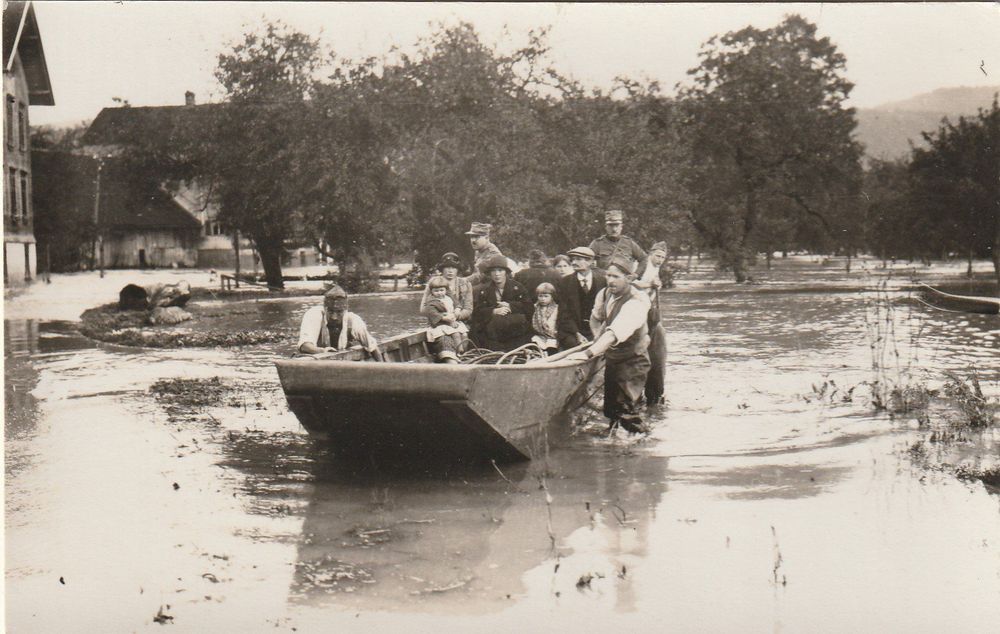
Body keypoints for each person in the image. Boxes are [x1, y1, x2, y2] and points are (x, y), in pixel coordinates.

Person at [566, 255, 651, 434]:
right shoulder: (604, 293)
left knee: (627, 412)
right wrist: (598, 340)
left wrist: (589, 353)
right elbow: (596, 319)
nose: (610, 280)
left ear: (629, 279)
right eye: (608, 275)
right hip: (613, 357)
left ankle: (641, 447)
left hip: (633, 361)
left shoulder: (637, 302)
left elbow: (614, 333)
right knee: (611, 409)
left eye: (616, 277)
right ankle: (613, 444)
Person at [297, 285, 384, 360]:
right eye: (330, 311)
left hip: (342, 363)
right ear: (324, 308)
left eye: (339, 312)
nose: (334, 317)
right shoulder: (314, 315)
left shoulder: (354, 321)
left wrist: (384, 371)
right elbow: (304, 346)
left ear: (346, 309)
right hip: (316, 363)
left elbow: (372, 347)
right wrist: (322, 351)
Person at [470, 254, 534, 351]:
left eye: (500, 270)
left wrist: (511, 306)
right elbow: (477, 311)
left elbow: (529, 308)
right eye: (493, 271)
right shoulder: (485, 290)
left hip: (514, 331)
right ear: (490, 273)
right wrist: (493, 311)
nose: (497, 274)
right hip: (493, 334)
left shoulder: (517, 287)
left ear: (506, 272)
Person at [633, 241, 668, 405]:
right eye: (658, 256)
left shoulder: (656, 267)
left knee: (656, 349)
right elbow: (632, 283)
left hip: (650, 309)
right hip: (637, 308)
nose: (660, 259)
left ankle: (654, 394)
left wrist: (657, 285)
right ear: (650, 253)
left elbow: (654, 284)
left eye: (663, 257)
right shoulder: (642, 264)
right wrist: (650, 284)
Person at [555, 246, 607, 351]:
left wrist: (598, 332)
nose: (574, 262)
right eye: (573, 259)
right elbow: (564, 313)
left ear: (590, 261)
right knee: (573, 346)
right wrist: (577, 333)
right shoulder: (565, 282)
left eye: (578, 259)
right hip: (572, 330)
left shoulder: (603, 281)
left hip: (597, 329)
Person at [420, 252, 473, 327]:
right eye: (447, 267)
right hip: (439, 323)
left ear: (457, 269)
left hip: (460, 322)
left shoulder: (465, 284)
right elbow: (423, 309)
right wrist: (443, 317)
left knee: (463, 334)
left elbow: (468, 309)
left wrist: (454, 316)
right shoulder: (433, 282)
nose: (450, 271)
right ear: (442, 269)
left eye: (453, 267)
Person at [423, 275, 469, 363]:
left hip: (452, 321)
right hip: (441, 324)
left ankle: (464, 353)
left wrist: (457, 309)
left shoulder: (448, 298)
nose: (439, 293)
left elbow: (457, 304)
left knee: (464, 334)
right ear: (431, 291)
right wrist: (445, 318)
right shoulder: (431, 302)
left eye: (441, 290)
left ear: (446, 290)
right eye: (436, 291)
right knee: (456, 334)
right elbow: (433, 314)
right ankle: (459, 352)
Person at [464, 222, 504, 286]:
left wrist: (460, 281)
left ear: (486, 238)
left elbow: (478, 277)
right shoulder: (479, 251)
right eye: (471, 237)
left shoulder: (492, 254)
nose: (473, 240)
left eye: (476, 237)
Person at [530, 282, 559, 355]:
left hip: (553, 335)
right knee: (535, 344)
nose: (543, 299)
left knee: (551, 348)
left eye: (546, 296)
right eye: (540, 296)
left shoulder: (556, 308)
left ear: (552, 297)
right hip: (540, 335)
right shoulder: (535, 308)